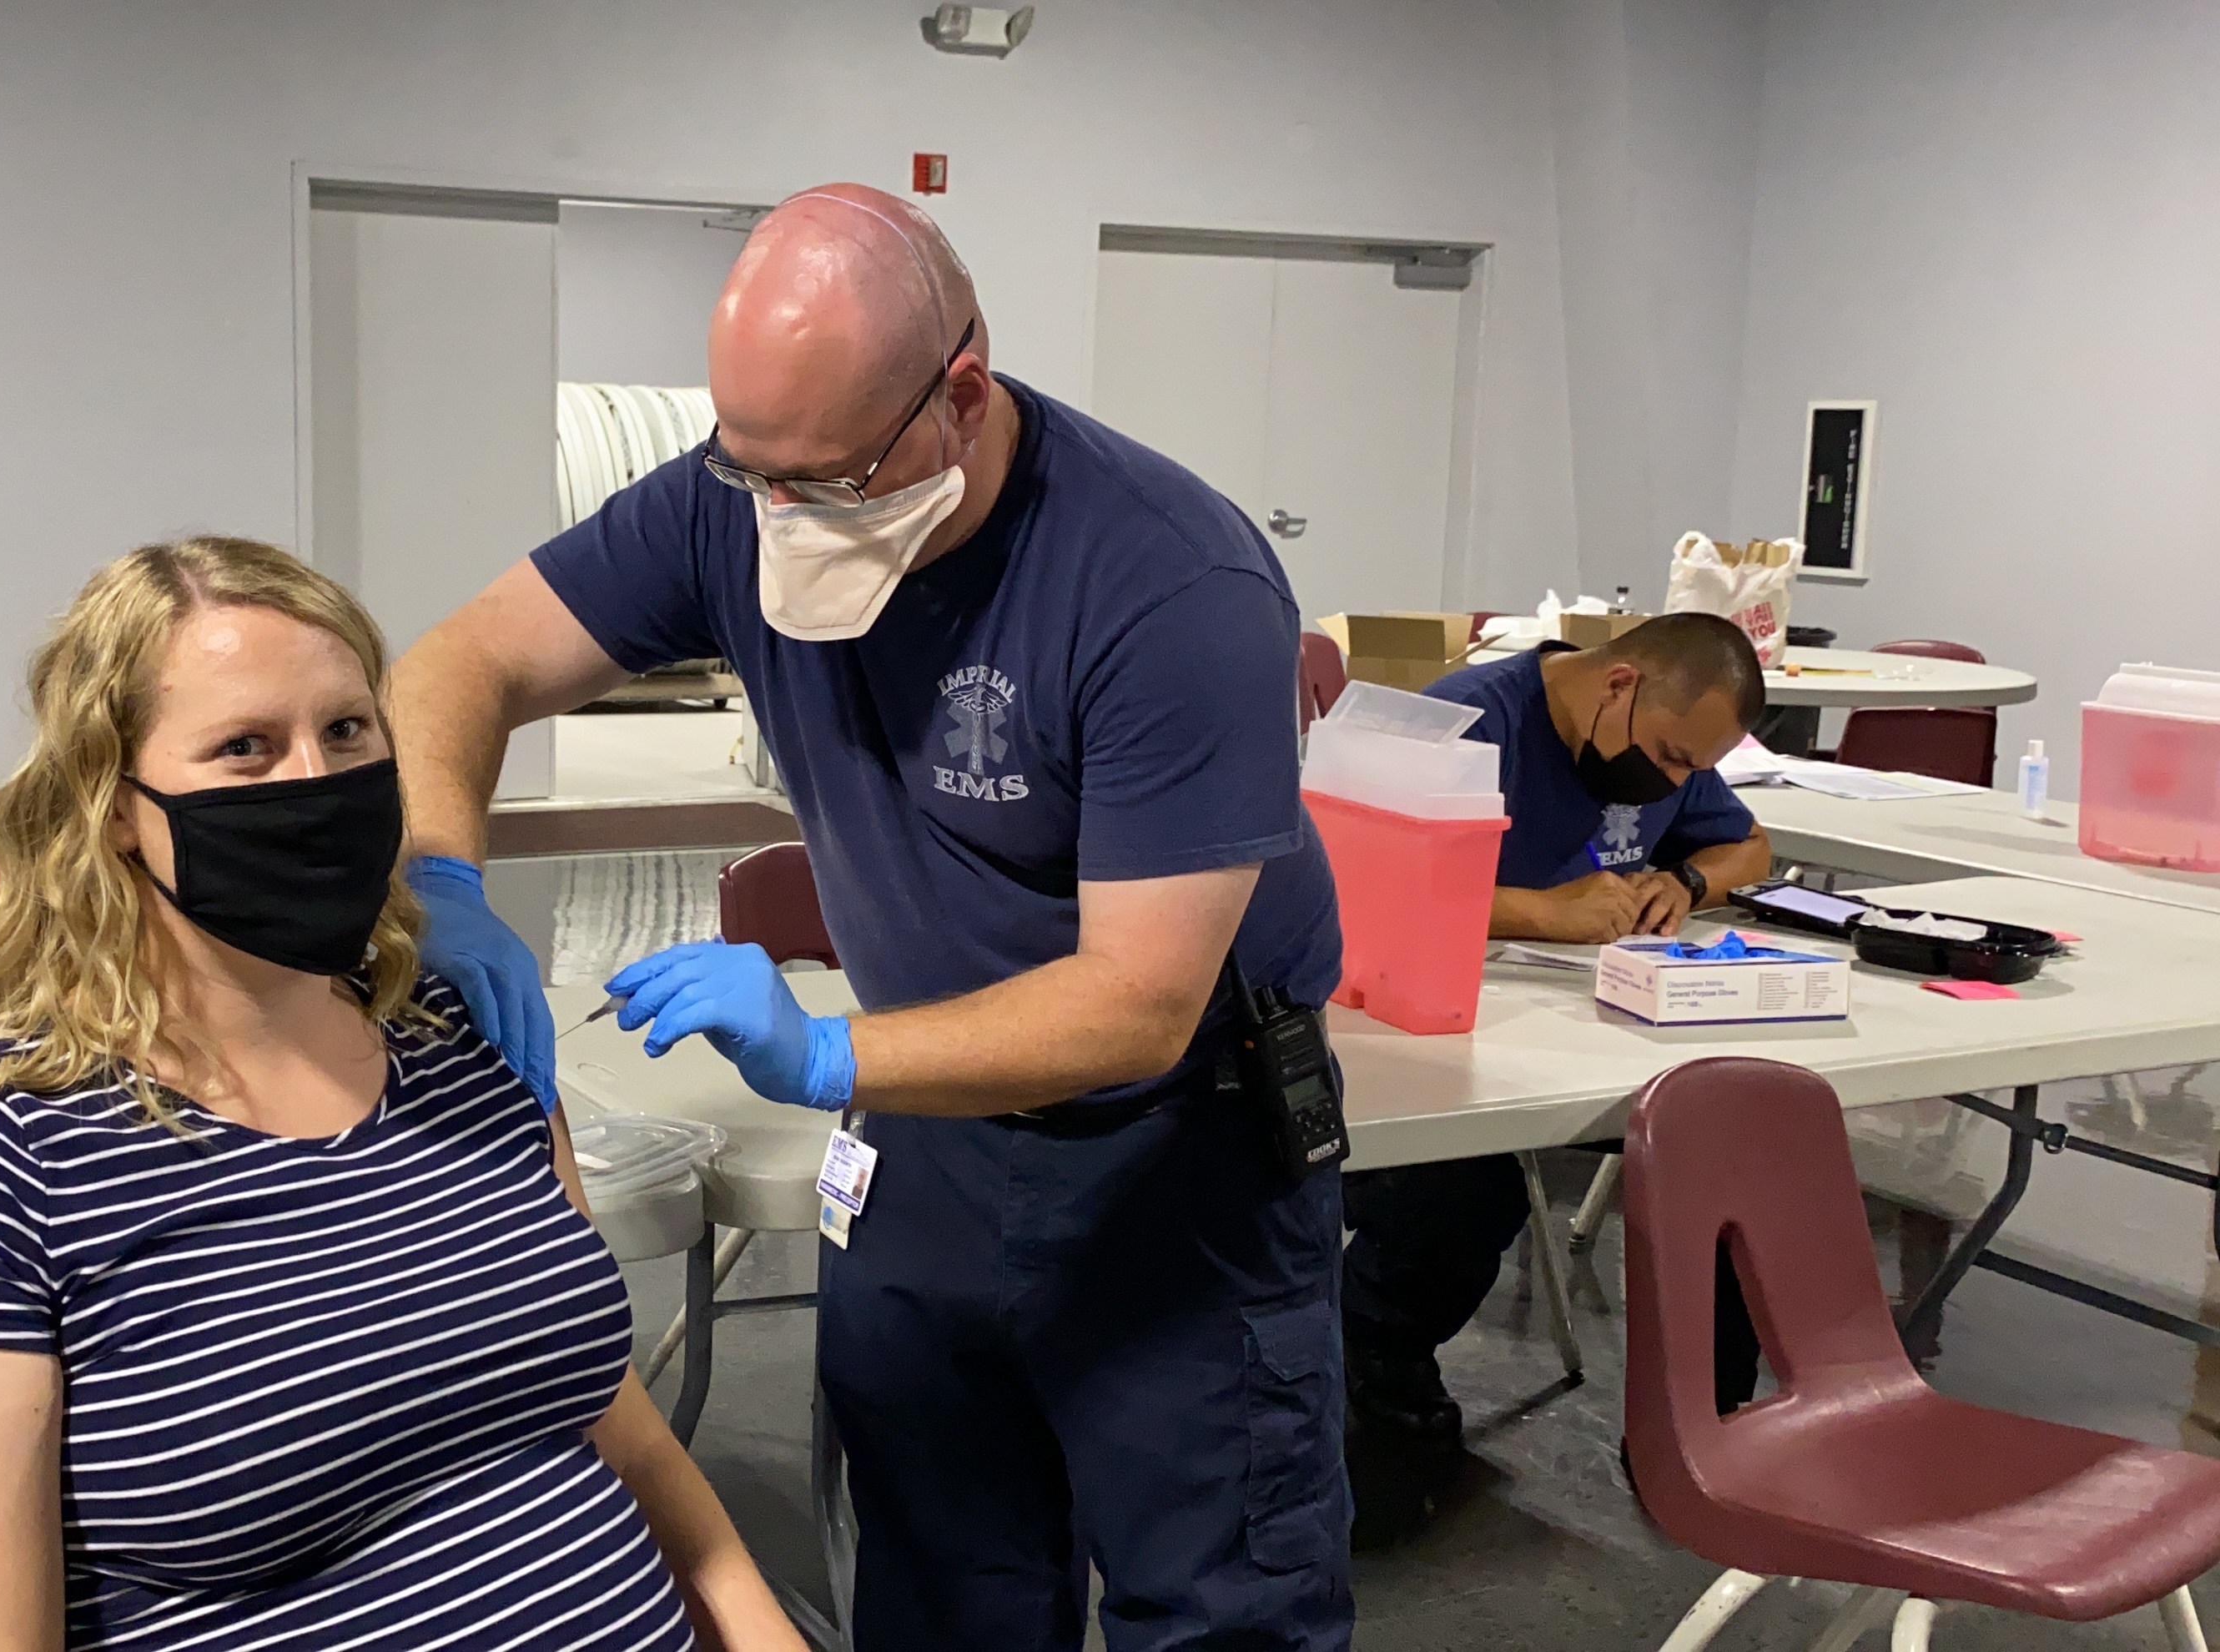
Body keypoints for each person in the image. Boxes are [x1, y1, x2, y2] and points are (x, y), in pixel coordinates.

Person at [388, 186, 1352, 1650]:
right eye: (751, 471)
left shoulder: (1168, 581)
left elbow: (1135, 1005)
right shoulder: (731, 500)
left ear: (960, 394)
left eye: (828, 481)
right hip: (927, 1159)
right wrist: (442, 882)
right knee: (940, 1581)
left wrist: (832, 1058)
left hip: (1172, 1156)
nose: (781, 517)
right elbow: (460, 664)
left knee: (1220, 1605)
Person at [0, 537, 800, 1652]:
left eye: (345, 730)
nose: (315, 786)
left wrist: (761, 1626)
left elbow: (597, 1410)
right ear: (115, 805)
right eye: (244, 749)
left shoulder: (461, 1045)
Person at [1340, 613, 1774, 1473]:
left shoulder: (1665, 751)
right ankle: (1367, 1388)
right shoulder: (1464, 721)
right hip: (1428, 1023)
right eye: (1673, 755)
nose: (1674, 781)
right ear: (1621, 685)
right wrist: (1546, 912)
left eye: (1695, 768)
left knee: (1731, 1144)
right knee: (1465, 1187)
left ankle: (1709, 1429)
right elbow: (1354, 880)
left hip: (1595, 1027)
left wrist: (1683, 880)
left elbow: (1748, 847)